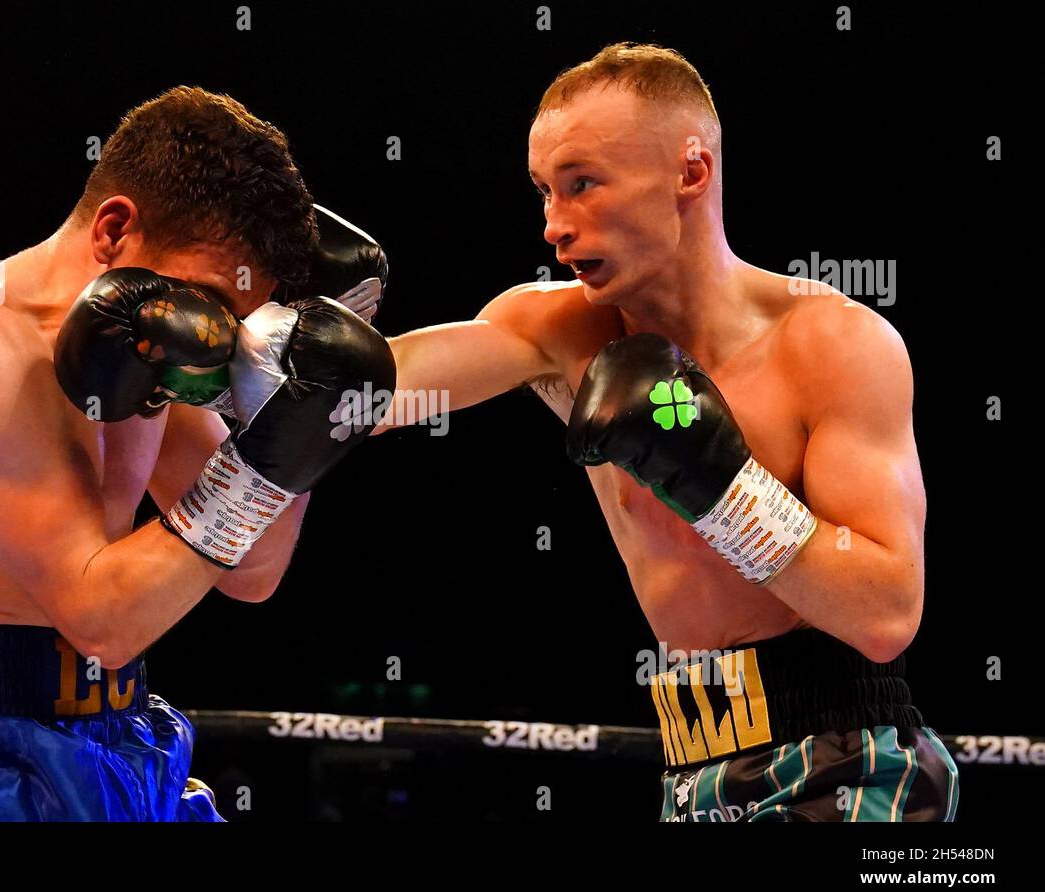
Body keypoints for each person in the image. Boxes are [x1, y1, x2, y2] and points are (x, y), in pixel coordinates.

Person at [381, 43, 957, 821]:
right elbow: (368, 393)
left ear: (690, 173)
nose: (553, 224)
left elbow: (886, 614)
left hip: (848, 758)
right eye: (544, 192)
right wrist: (244, 343)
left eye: (582, 184)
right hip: (691, 764)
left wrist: (720, 485)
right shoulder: (558, 331)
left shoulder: (834, 344)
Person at [0, 86, 393, 821]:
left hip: (127, 733)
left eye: (229, 320)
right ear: (114, 230)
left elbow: (253, 573)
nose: (208, 338)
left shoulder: (141, 356)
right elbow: (101, 619)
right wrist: (260, 469)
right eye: (202, 300)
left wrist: (289, 438)